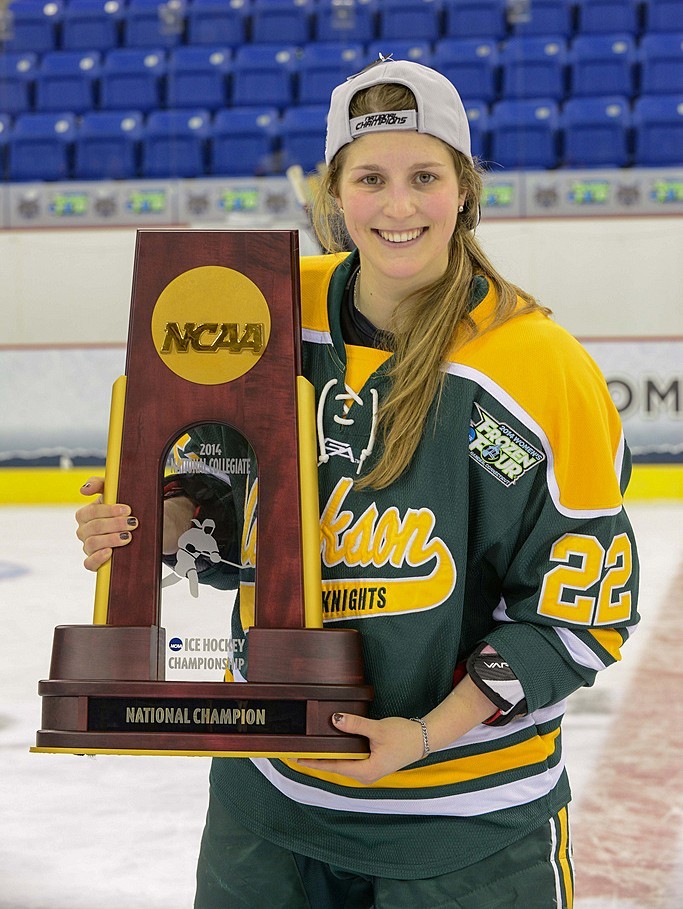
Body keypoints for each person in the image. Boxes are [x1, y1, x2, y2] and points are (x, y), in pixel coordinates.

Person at [76, 58, 640, 909]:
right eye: (370, 178)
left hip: (467, 828)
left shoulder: (538, 365)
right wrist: (154, 523)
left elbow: (579, 608)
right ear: (334, 193)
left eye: (424, 176)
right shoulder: (264, 310)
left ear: (464, 189)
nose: (399, 205)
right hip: (269, 805)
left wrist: (422, 735)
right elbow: (223, 493)